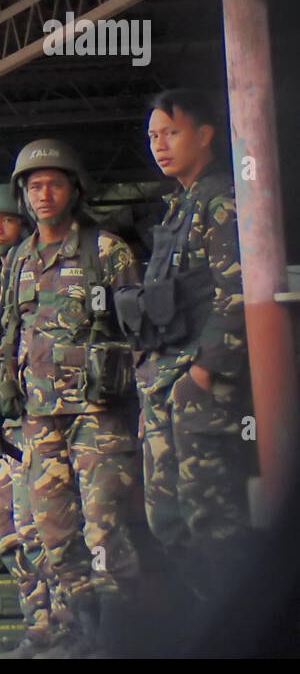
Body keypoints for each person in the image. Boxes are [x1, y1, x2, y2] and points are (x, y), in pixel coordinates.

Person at [0, 139, 143, 658]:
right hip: (40, 420)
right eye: (34, 187)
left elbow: (141, 335)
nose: (44, 194)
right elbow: (9, 335)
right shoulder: (17, 261)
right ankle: (79, 640)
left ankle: (127, 642)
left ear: (74, 189)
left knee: (106, 532)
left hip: (98, 417)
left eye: (54, 184)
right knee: (53, 538)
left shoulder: (105, 251)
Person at [118, 89, 253, 601]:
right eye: (153, 136)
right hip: (165, 382)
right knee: (167, 518)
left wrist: (206, 371)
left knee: (211, 518)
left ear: (205, 136)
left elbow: (238, 290)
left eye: (171, 133)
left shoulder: (220, 199)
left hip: (197, 385)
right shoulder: (180, 207)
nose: (160, 145)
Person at [0, 184, 50, 659]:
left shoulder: (35, 268)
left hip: (30, 424)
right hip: (0, 428)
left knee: (40, 530)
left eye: (4, 219)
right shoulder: (0, 280)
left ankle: (63, 631)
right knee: (11, 535)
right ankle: (38, 628)